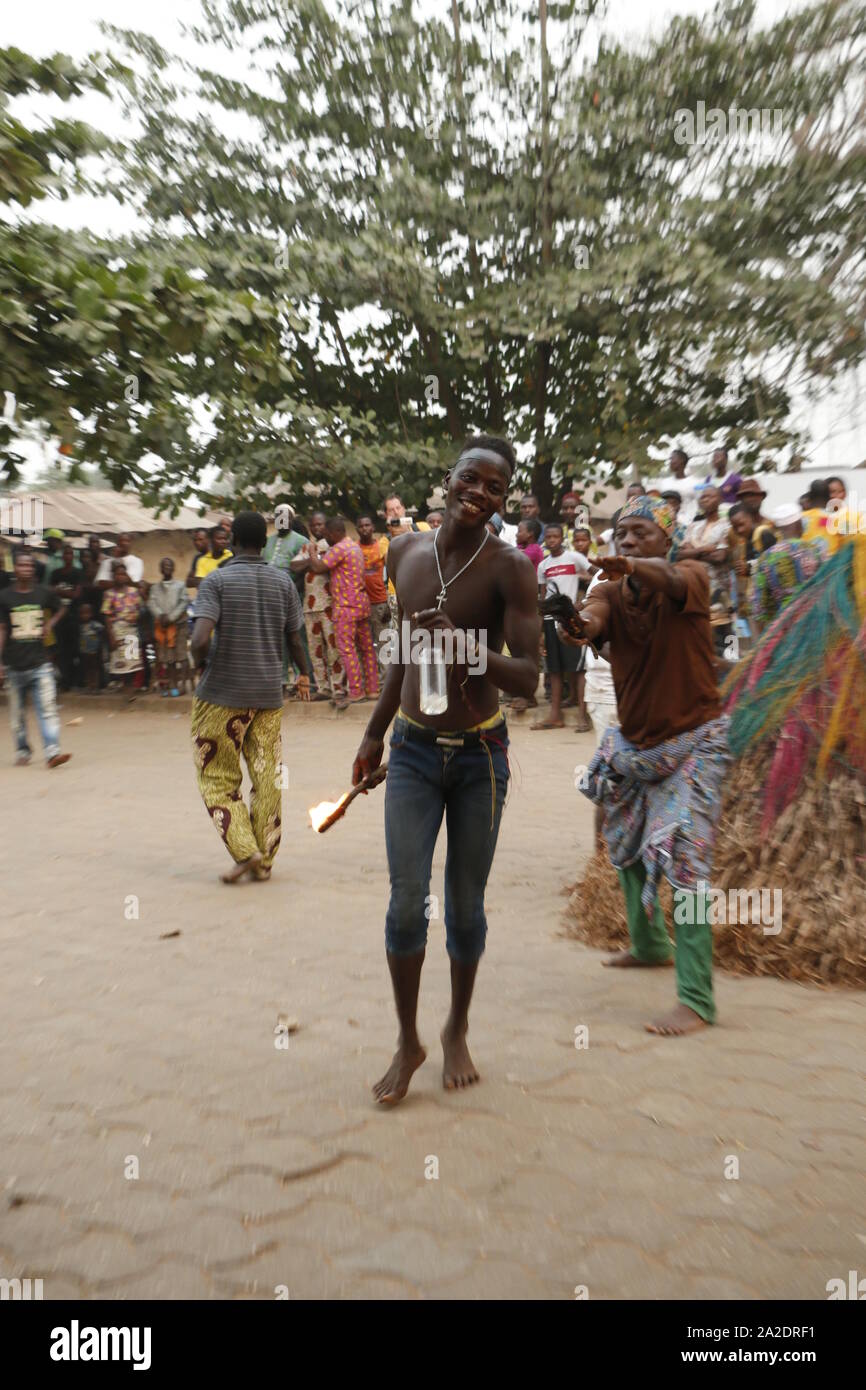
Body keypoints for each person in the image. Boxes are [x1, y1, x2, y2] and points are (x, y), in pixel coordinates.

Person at [351, 435, 540, 1104]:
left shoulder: (510, 569)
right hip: (411, 751)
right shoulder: (405, 553)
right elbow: (403, 650)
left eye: (495, 487)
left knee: (464, 906)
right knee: (406, 903)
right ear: (450, 480)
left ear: (503, 498)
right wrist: (374, 731)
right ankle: (408, 1040)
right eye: (472, 478)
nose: (481, 493)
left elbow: (530, 678)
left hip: (480, 758)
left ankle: (456, 1026)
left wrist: (465, 646)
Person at [565, 494, 730, 1037]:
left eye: (641, 532)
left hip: (696, 744)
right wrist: (575, 623)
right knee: (623, 841)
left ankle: (696, 999)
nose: (628, 540)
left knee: (686, 866)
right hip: (636, 747)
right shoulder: (611, 590)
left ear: (668, 539)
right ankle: (649, 944)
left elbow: (673, 584)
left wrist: (635, 567)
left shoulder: (692, 576)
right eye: (623, 533)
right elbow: (595, 616)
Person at [190, 510, 310, 883]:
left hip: (221, 695)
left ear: (231, 541)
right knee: (268, 775)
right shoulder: (283, 582)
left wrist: (200, 663)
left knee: (217, 777)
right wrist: (305, 673)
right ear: (266, 542)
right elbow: (294, 637)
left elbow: (199, 639)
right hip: (268, 694)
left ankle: (246, 852)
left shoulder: (217, 581)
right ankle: (266, 859)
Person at [0, 549, 71, 767]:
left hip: (40, 662)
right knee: (16, 716)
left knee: (48, 709)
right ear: (15, 568)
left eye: (30, 566)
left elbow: (61, 608)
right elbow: (2, 629)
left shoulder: (43, 593)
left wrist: (50, 624)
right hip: (14, 664)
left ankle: (52, 752)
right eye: (22, 565)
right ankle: (23, 750)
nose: (26, 569)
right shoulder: (5, 597)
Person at [305, 518, 379, 706]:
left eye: (328, 535)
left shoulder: (339, 548)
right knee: (367, 648)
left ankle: (356, 692)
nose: (327, 538)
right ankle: (372, 690)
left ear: (334, 533)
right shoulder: (354, 546)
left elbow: (318, 567)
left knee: (346, 649)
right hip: (361, 603)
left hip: (346, 606)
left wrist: (312, 551)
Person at [534, 522, 592, 731]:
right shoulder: (543, 565)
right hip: (550, 622)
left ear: (562, 538)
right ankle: (555, 715)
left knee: (578, 670)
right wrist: (540, 631)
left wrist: (583, 603)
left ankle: (582, 717)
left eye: (555, 537)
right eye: (548, 537)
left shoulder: (574, 558)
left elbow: (597, 575)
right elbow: (543, 598)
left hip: (570, 620)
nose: (551, 540)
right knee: (555, 670)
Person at [290, 510, 347, 702]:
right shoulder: (308, 546)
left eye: (320, 524)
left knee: (333, 650)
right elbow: (294, 566)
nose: (317, 528)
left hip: (329, 605)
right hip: (310, 607)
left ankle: (339, 688)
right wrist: (313, 560)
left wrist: (312, 562)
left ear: (327, 526)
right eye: (313, 525)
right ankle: (324, 688)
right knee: (316, 651)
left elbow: (322, 567)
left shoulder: (335, 546)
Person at [678, 485, 734, 661]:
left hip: (718, 592)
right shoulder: (693, 526)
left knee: (723, 636)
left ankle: (727, 672)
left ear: (719, 500)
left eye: (710, 496)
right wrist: (707, 549)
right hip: (694, 589)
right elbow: (680, 554)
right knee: (696, 638)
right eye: (703, 497)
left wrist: (694, 551)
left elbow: (720, 557)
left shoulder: (727, 527)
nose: (705, 500)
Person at [148, 557, 190, 696]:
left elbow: (184, 602)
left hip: (179, 625)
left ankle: (183, 683)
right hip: (163, 627)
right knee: (169, 658)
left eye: (169, 565)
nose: (167, 568)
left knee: (182, 656)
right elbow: (151, 603)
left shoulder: (180, 585)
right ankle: (172, 683)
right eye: (164, 565)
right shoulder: (155, 588)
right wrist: (160, 616)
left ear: (173, 568)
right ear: (160, 569)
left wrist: (171, 617)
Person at [357, 514, 391, 682]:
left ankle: (386, 683)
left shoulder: (381, 547)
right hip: (359, 604)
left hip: (379, 602)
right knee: (364, 645)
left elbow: (392, 573)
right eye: (361, 526)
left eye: (367, 525)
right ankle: (369, 682)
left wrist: (389, 605)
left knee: (384, 644)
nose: (364, 528)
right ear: (357, 529)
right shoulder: (353, 548)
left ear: (373, 528)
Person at [102, 561, 143, 691]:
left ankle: (130, 686)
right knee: (120, 658)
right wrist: (111, 636)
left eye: (123, 574)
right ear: (113, 576)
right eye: (118, 574)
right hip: (117, 629)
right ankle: (124, 685)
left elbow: (140, 609)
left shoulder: (134, 592)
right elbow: (107, 616)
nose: (121, 576)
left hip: (132, 629)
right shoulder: (109, 594)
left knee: (132, 658)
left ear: (126, 576)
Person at [49, 543, 85, 689]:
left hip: (74, 616)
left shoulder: (78, 573)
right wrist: (65, 592)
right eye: (66, 553)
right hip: (59, 617)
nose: (68, 556)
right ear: (63, 556)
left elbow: (77, 594)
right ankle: (65, 681)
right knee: (62, 650)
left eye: (70, 554)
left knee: (76, 649)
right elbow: (50, 591)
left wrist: (59, 591)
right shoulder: (55, 573)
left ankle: (77, 681)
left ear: (73, 556)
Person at [78, 602, 106, 692]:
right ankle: (89, 685)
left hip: (94, 651)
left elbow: (102, 631)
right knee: (87, 668)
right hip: (84, 651)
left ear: (91, 614)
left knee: (95, 668)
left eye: (87, 613)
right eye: (82, 613)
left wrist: (100, 646)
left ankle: (96, 685)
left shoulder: (95, 625)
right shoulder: (80, 626)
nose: (85, 616)